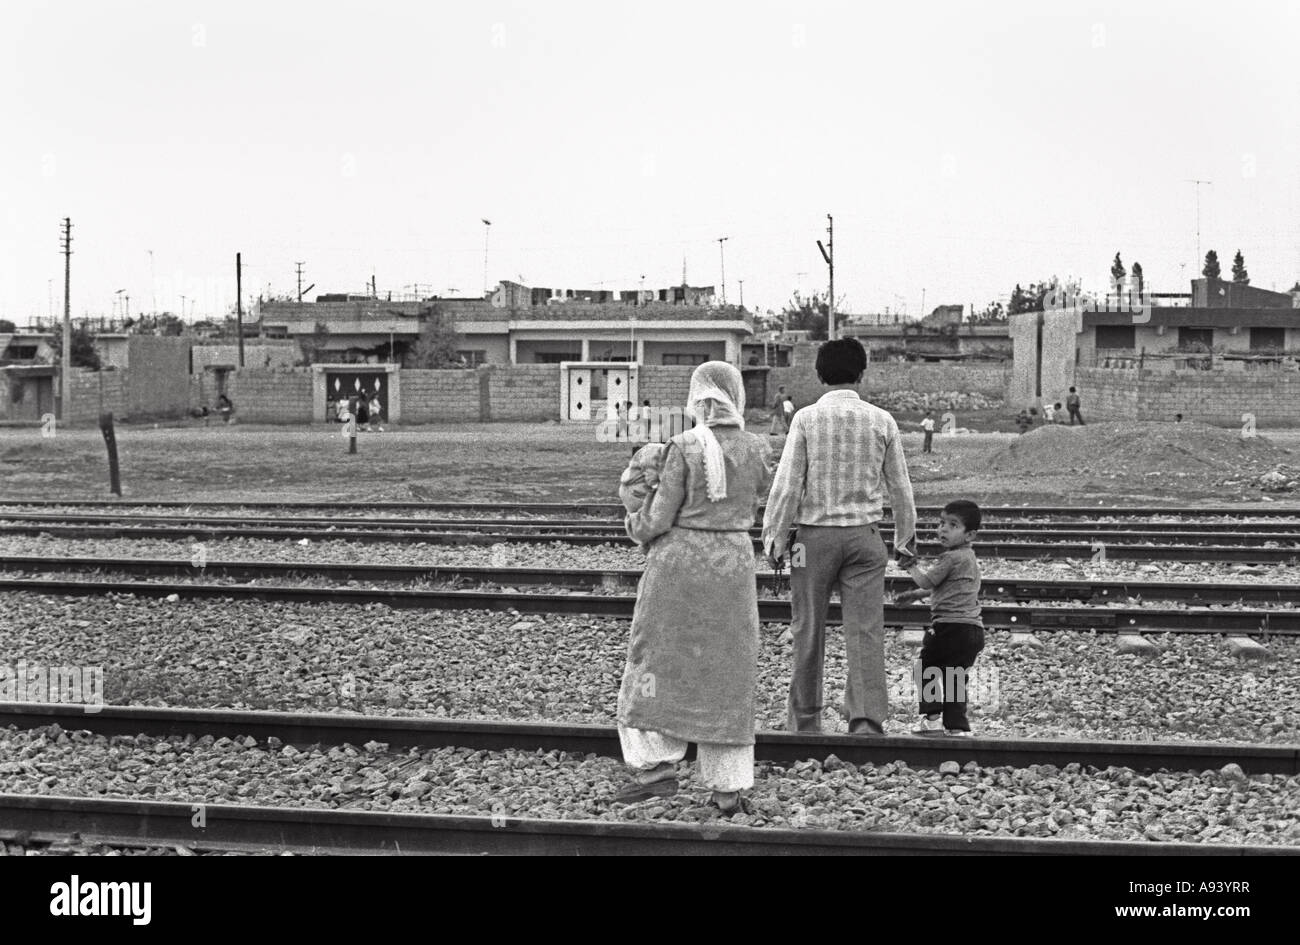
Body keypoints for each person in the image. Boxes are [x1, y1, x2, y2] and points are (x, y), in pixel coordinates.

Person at [614, 361, 774, 813]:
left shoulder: (682, 447)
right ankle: (728, 787)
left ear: (699, 399)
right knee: (728, 669)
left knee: (655, 660)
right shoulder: (758, 447)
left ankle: (655, 767)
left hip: (679, 567)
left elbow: (659, 516)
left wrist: (634, 523)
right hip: (733, 567)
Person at [762, 338, 918, 736]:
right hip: (866, 539)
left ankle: (805, 721)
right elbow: (901, 488)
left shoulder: (806, 420)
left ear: (818, 374)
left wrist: (775, 539)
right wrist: (904, 542)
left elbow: (787, 485)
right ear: (862, 373)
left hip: (811, 541)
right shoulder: (882, 420)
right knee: (865, 630)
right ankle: (865, 720)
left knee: (807, 627)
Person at [897, 500, 985, 736]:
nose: (943, 529)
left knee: (925, 668)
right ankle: (957, 726)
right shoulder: (969, 558)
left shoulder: (951, 558)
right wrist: (915, 595)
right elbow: (940, 587)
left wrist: (910, 567)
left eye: (953, 525)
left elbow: (927, 581)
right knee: (955, 675)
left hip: (949, 627)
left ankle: (933, 719)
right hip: (972, 631)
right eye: (941, 523)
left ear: (970, 534)